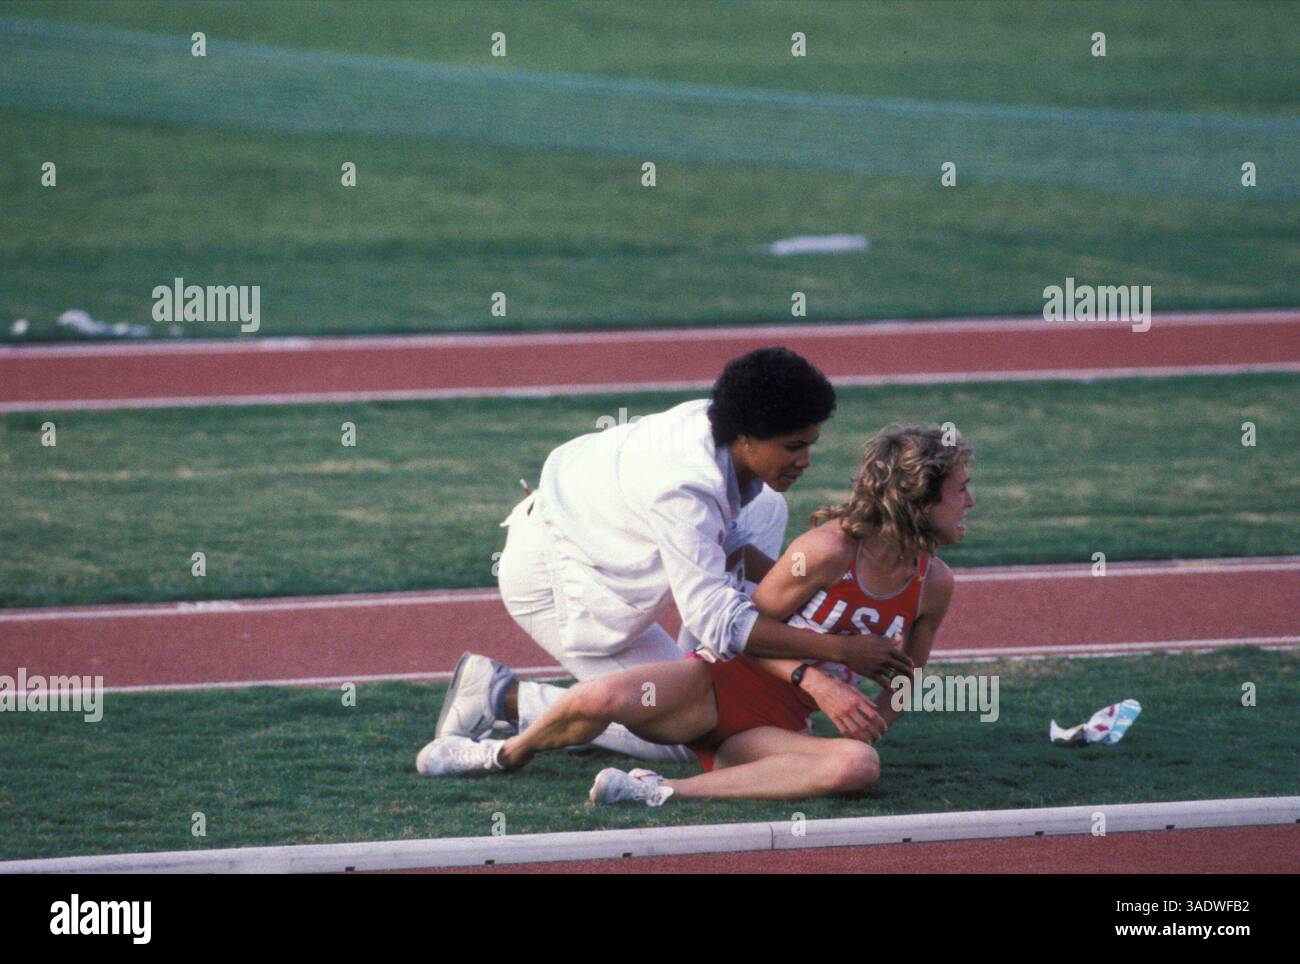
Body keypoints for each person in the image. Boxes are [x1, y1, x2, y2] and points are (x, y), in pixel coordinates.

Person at [417, 425, 975, 805]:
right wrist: (817, 679)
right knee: (600, 698)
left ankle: (657, 791)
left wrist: (873, 725)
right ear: (919, 499)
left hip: (770, 731)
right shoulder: (828, 551)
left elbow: (907, 675)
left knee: (857, 766)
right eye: (961, 490)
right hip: (712, 686)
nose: (970, 501)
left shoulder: (935, 584)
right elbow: (745, 635)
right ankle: (499, 754)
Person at [429, 347, 913, 765]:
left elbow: (736, 553)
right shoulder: (684, 486)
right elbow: (713, 611)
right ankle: (500, 695)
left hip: (593, 537)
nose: (805, 460)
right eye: (793, 446)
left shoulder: (723, 428)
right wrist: (835, 651)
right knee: (690, 730)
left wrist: (823, 606)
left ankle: (706, 668)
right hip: (557, 578)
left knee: (767, 507)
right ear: (746, 436)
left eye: (809, 444)